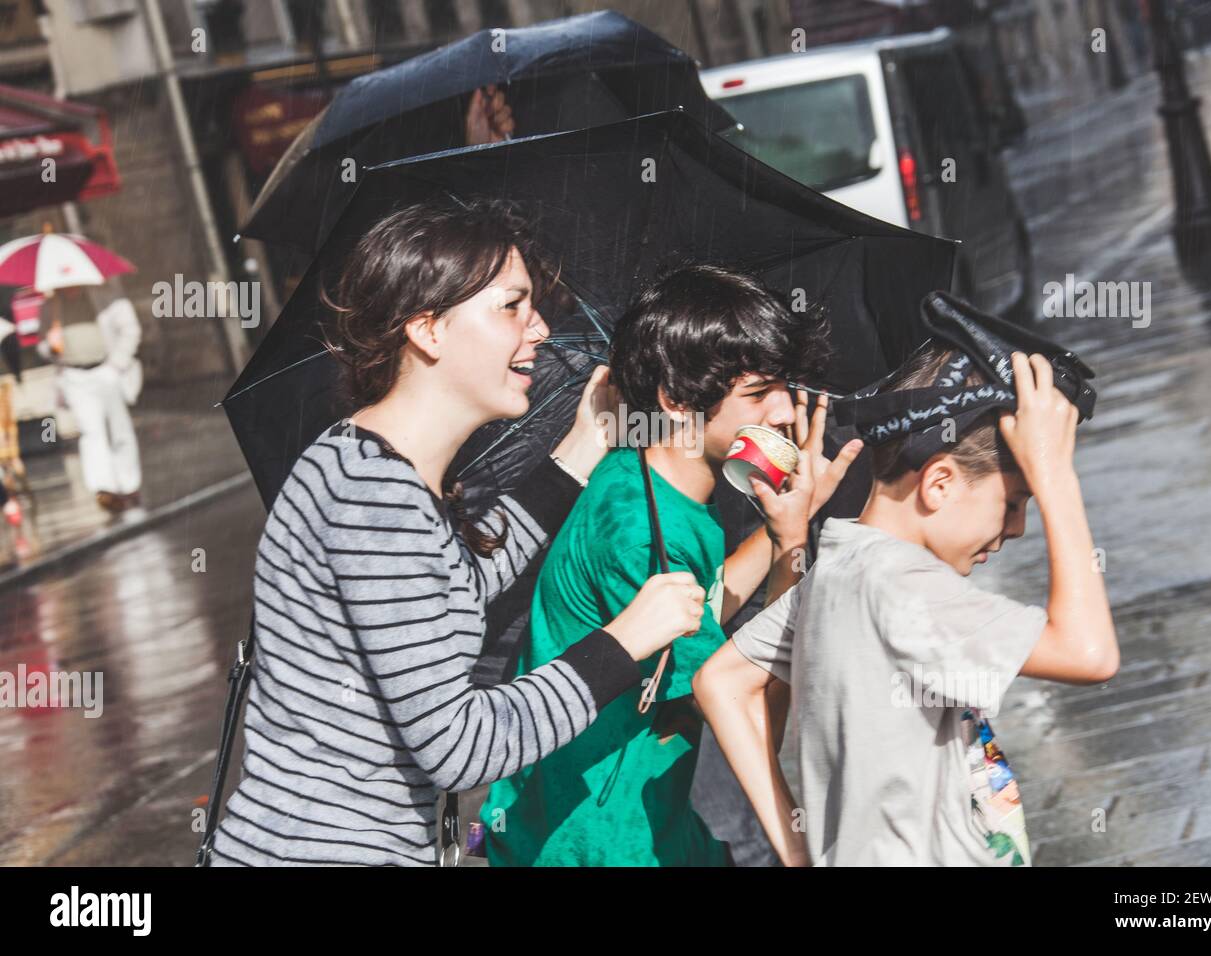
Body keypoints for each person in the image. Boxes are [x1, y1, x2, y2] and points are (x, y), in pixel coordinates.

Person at [207, 200, 706, 866]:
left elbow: (453, 590)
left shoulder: (356, 461)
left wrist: (584, 445)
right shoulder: (375, 500)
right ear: (428, 329)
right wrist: (624, 641)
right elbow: (461, 746)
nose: (539, 329)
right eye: (511, 306)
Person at [482, 264, 863, 866]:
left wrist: (785, 523)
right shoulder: (635, 531)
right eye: (760, 393)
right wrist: (794, 543)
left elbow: (703, 607)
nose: (787, 412)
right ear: (678, 400)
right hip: (602, 844)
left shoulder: (654, 489)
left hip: (647, 823)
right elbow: (753, 701)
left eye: (785, 387)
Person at [694, 346, 1120, 866]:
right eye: (1012, 502)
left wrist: (796, 849)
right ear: (939, 483)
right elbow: (1089, 653)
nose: (1016, 528)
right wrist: (1056, 479)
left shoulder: (840, 563)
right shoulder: (904, 585)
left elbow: (722, 681)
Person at [37, 285, 143, 513]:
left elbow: (130, 329)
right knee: (90, 432)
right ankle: (104, 489)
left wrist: (117, 364)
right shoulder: (50, 308)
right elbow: (43, 347)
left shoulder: (108, 297)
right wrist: (50, 345)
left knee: (120, 429)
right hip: (75, 376)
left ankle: (129, 484)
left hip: (107, 368)